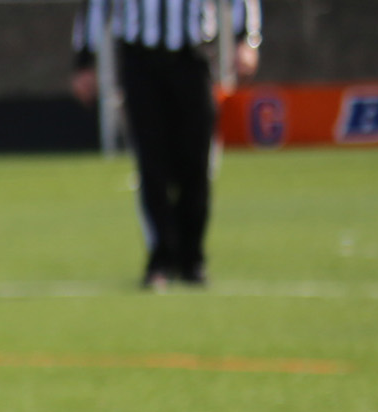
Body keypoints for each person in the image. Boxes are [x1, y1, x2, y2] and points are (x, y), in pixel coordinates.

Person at [72, 0, 262, 288]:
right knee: (152, 161)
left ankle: (192, 258)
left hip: (193, 56)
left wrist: (245, 39)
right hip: (140, 60)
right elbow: (97, 5)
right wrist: (84, 60)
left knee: (196, 160)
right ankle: (160, 258)